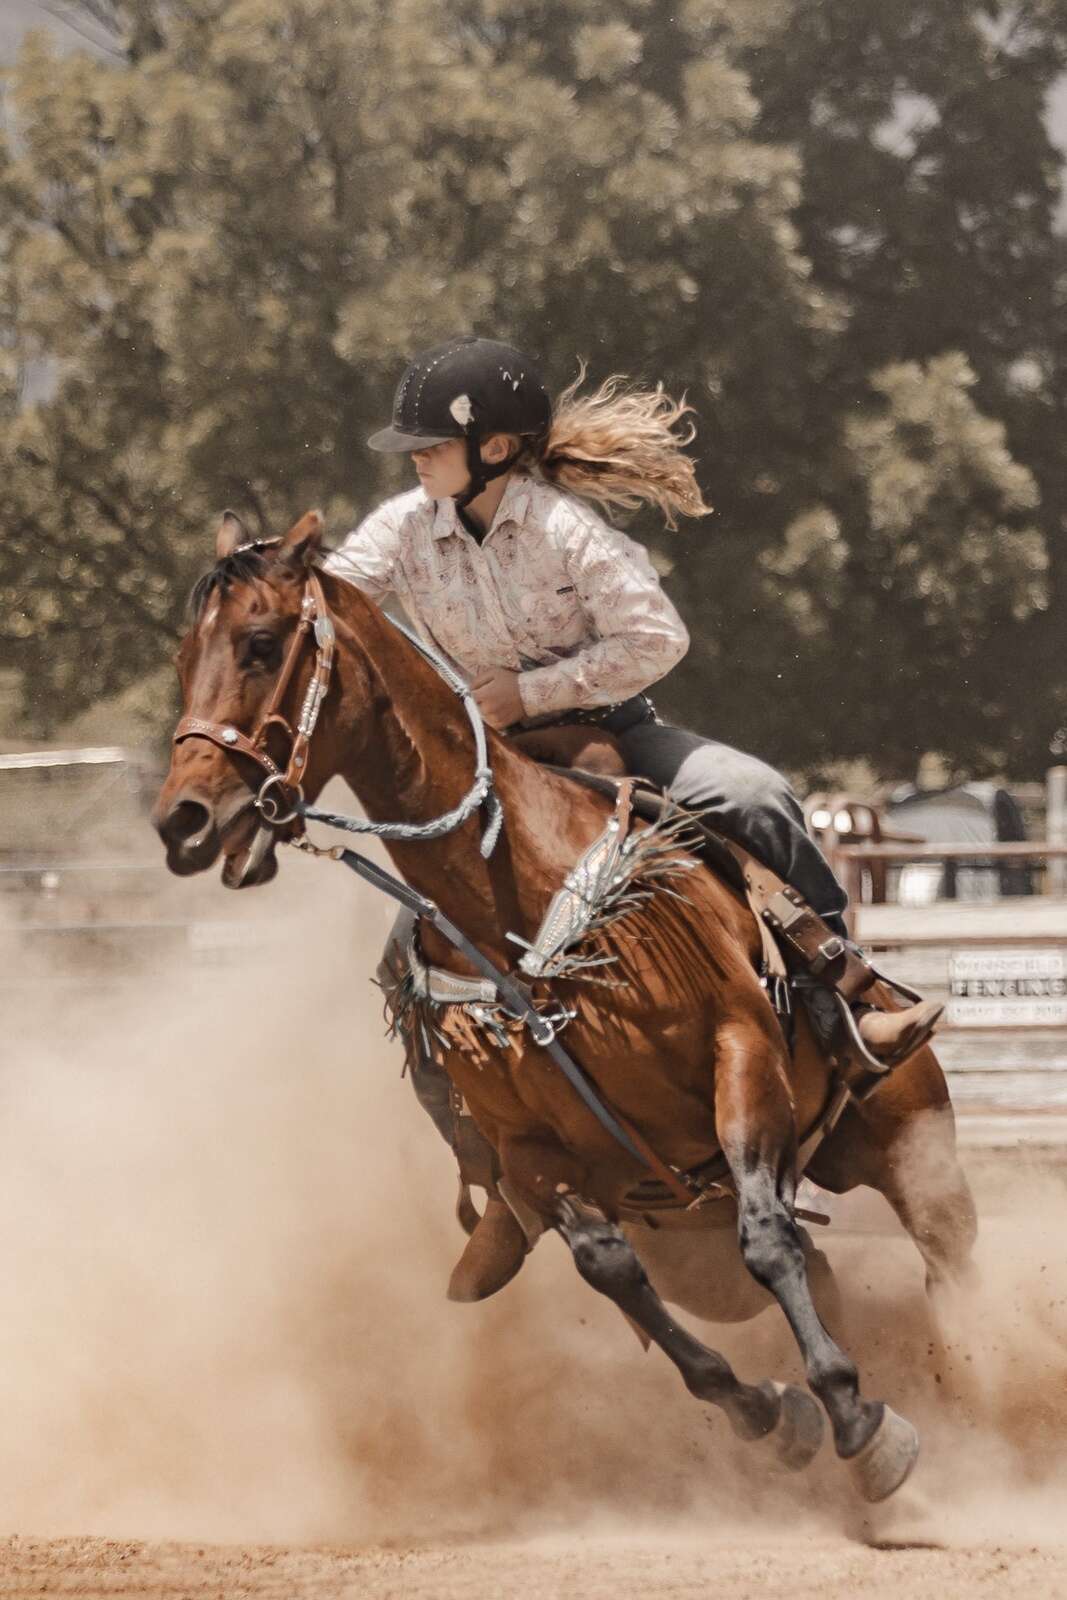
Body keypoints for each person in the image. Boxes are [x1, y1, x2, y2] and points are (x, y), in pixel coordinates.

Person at [326, 335, 941, 1299]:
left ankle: (847, 1001)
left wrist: (528, 694)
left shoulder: (565, 530)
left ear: (494, 447)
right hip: (497, 771)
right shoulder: (403, 527)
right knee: (409, 964)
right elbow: (333, 597)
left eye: (429, 442)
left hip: (610, 732)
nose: (412, 456)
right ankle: (497, 1179)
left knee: (752, 797)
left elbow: (657, 636)